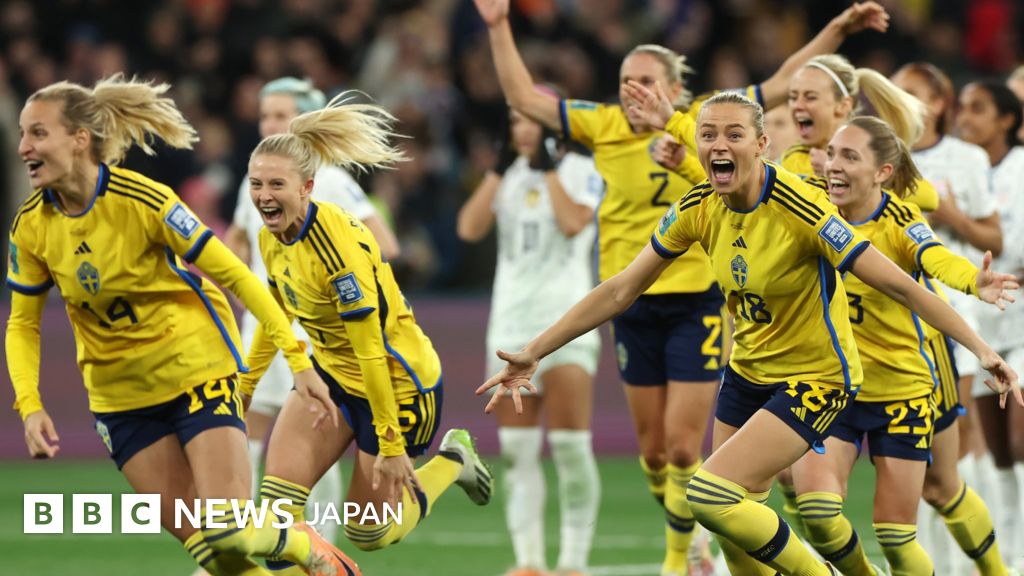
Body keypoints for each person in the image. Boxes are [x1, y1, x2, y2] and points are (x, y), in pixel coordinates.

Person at [481, 90, 1021, 576]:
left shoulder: (803, 207)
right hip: (748, 374)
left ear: (761, 144)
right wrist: (534, 351)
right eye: (709, 134)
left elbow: (904, 285)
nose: (719, 143)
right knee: (735, 529)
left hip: (819, 378)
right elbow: (621, 289)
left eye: (734, 134)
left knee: (711, 495)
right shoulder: (697, 208)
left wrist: (981, 348)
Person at [472, 1, 890, 572]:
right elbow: (523, 101)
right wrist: (498, 26)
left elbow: (782, 80)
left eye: (646, 83)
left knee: (686, 453)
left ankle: (681, 560)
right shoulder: (604, 125)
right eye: (625, 82)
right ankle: (702, 544)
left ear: (673, 89)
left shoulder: (710, 125)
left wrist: (837, 28)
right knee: (655, 456)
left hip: (702, 300)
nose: (633, 93)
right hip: (634, 302)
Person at [5, 74, 357, 576]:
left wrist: (298, 360)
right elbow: (23, 325)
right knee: (219, 558)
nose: (23, 147)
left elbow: (236, 274)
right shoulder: (31, 226)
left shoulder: (141, 200)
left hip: (197, 373)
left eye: (37, 133)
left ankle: (300, 545)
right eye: (23, 133)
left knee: (231, 531)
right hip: (120, 402)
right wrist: (30, 405)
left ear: (79, 139)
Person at [240, 94, 494, 571]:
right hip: (334, 376)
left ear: (308, 187)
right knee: (276, 520)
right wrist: (246, 387)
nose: (264, 196)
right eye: (256, 184)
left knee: (369, 532)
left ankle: (453, 461)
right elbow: (273, 317)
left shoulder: (336, 253)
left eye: (277, 184)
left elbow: (372, 352)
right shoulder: (269, 237)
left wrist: (392, 445)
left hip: (398, 386)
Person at [791, 116, 1015, 575]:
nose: (832, 165)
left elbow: (935, 258)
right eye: (831, 153)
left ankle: (996, 571)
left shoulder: (899, 219)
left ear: (883, 172)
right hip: (833, 386)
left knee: (937, 496)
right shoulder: (809, 207)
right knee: (815, 512)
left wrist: (973, 281)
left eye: (849, 156)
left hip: (902, 384)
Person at [224, 76, 400, 544]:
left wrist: (341, 294)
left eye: (281, 115)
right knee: (248, 441)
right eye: (265, 115)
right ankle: (254, 545)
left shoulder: (332, 183)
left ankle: (315, 546)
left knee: (312, 442)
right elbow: (239, 249)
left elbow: (384, 245)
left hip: (314, 333)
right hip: (265, 327)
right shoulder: (259, 181)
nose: (269, 123)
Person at [457, 94, 603, 576]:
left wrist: (547, 167)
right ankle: (530, 562)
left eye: (533, 122)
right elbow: (469, 227)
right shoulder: (508, 174)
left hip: (567, 324)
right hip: (510, 325)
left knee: (569, 445)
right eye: (516, 121)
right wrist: (499, 170)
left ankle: (574, 562)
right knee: (518, 452)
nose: (523, 131)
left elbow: (572, 221)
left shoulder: (580, 167)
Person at [892, 62, 1007, 571]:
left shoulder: (964, 158)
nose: (901, 104)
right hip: (891, 315)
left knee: (954, 441)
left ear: (938, 103)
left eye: (912, 95)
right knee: (919, 443)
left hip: (953, 306)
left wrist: (951, 217)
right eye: (893, 94)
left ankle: (971, 557)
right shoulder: (878, 154)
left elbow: (993, 239)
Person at [957, 80, 1024, 569]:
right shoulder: (964, 168)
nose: (965, 117)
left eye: (978, 108)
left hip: (1023, 320)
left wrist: (951, 216)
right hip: (981, 326)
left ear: (1007, 119)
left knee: (1021, 442)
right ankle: (1009, 553)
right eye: (962, 107)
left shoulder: (1021, 169)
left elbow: (1000, 244)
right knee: (998, 453)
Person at [783, 53, 938, 211]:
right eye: (793, 97)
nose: (798, 105)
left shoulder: (873, 149)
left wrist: (833, 171)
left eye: (810, 97)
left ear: (843, 105)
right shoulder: (795, 159)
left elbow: (929, 198)